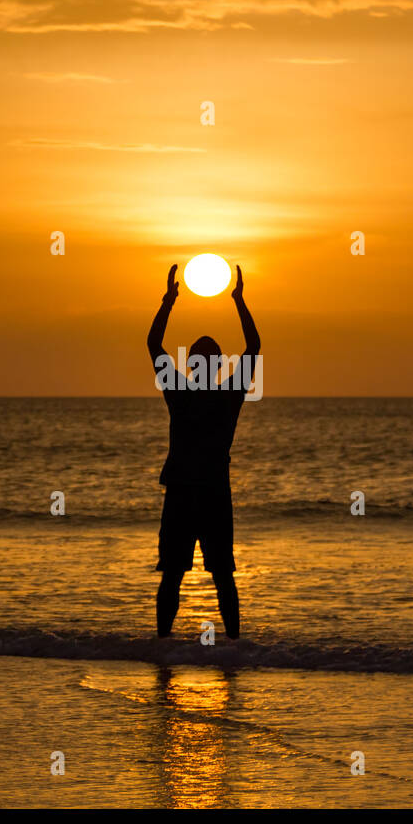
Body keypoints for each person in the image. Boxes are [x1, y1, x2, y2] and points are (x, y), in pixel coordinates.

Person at [146, 262, 261, 639]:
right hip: (206, 491)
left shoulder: (182, 390)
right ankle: (231, 648)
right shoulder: (227, 393)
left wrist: (169, 302)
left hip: (191, 491)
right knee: (214, 575)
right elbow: (254, 347)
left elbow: (153, 345)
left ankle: (169, 646)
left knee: (181, 575)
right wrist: (238, 302)